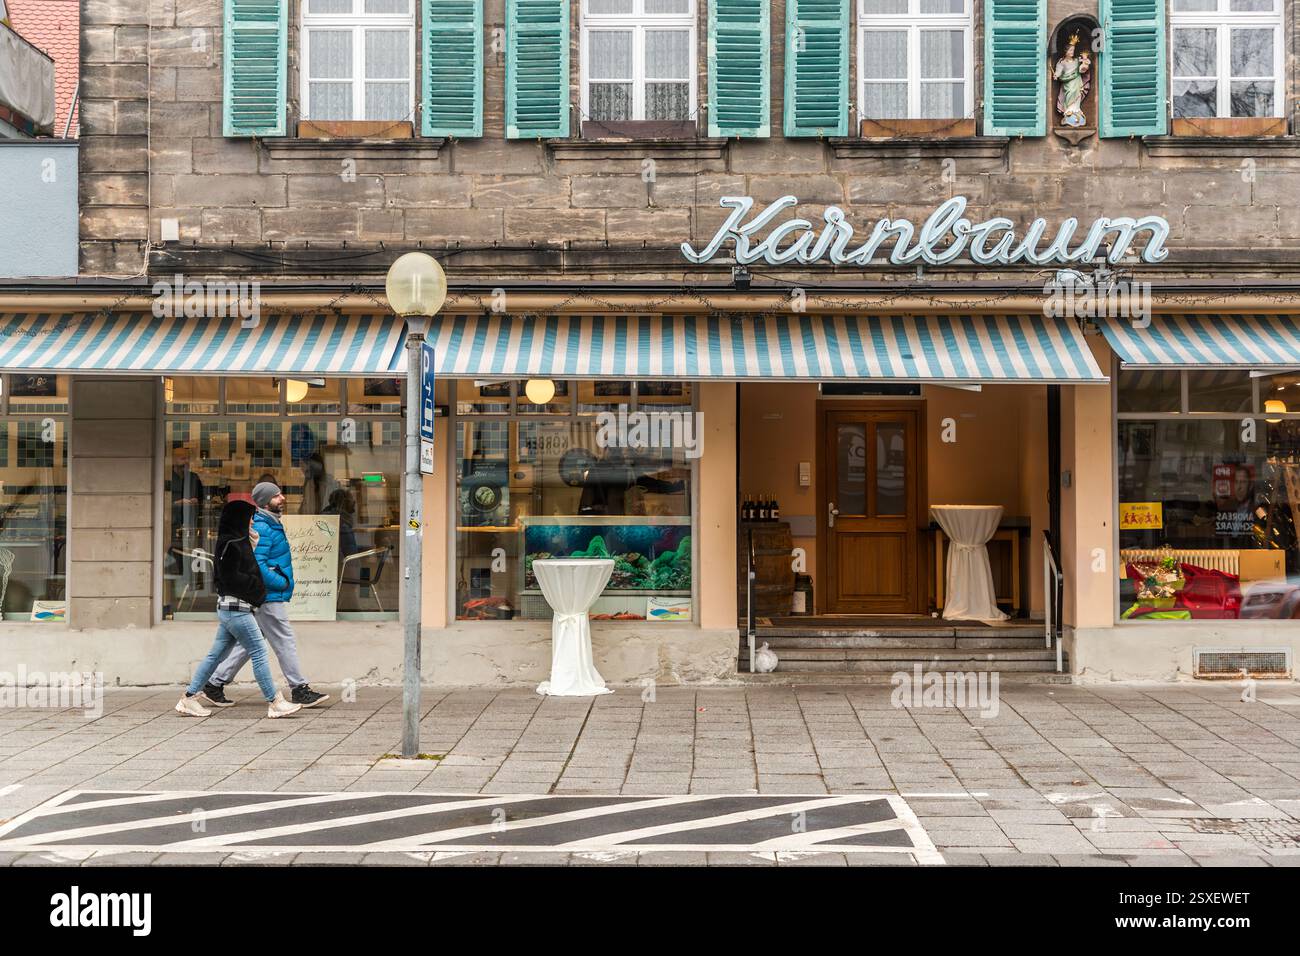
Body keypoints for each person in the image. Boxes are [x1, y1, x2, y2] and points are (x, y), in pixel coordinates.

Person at [201, 482, 330, 708]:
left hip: (263, 594)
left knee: (249, 643)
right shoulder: (263, 526)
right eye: (276, 495)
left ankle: (214, 684)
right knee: (284, 639)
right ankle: (299, 688)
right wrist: (281, 582)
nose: (282, 498)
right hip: (268, 595)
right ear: (264, 501)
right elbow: (257, 564)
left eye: (280, 493)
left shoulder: (269, 523)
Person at [175, 500, 302, 718]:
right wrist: (257, 588)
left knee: (216, 655)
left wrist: (251, 548)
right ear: (240, 519)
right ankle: (275, 702)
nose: (253, 521)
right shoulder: (232, 543)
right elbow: (231, 577)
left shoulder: (238, 541)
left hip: (234, 608)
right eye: (250, 517)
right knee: (259, 651)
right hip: (236, 609)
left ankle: (189, 698)